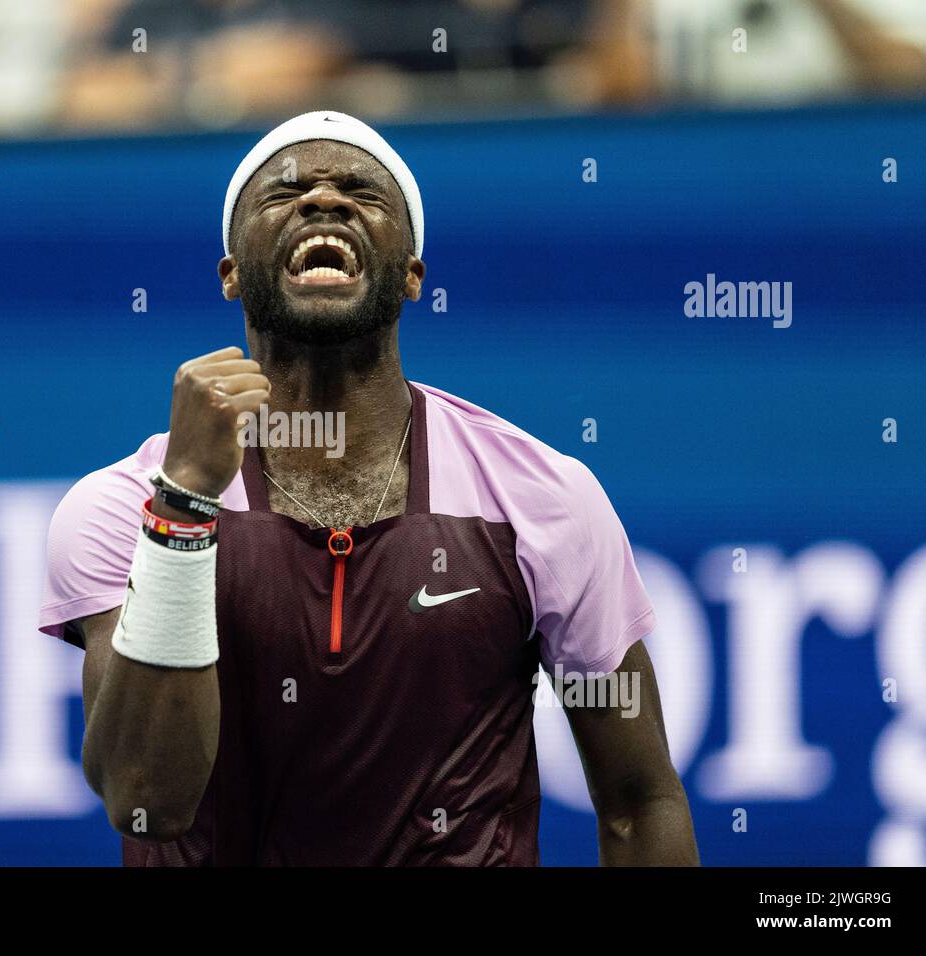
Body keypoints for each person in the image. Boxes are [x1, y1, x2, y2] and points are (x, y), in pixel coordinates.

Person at [39, 110, 698, 866]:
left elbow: (639, 802)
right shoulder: (124, 508)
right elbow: (146, 799)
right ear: (230, 272)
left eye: (360, 190)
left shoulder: (545, 496)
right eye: (285, 193)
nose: (324, 201)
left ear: (412, 272)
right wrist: (185, 506)